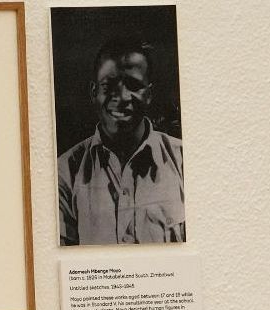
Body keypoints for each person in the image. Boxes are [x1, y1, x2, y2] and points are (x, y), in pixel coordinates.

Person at [57, 37, 186, 246]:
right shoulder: (65, 174)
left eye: (134, 85)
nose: (123, 97)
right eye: (108, 85)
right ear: (93, 93)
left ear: (150, 94)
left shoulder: (183, 161)